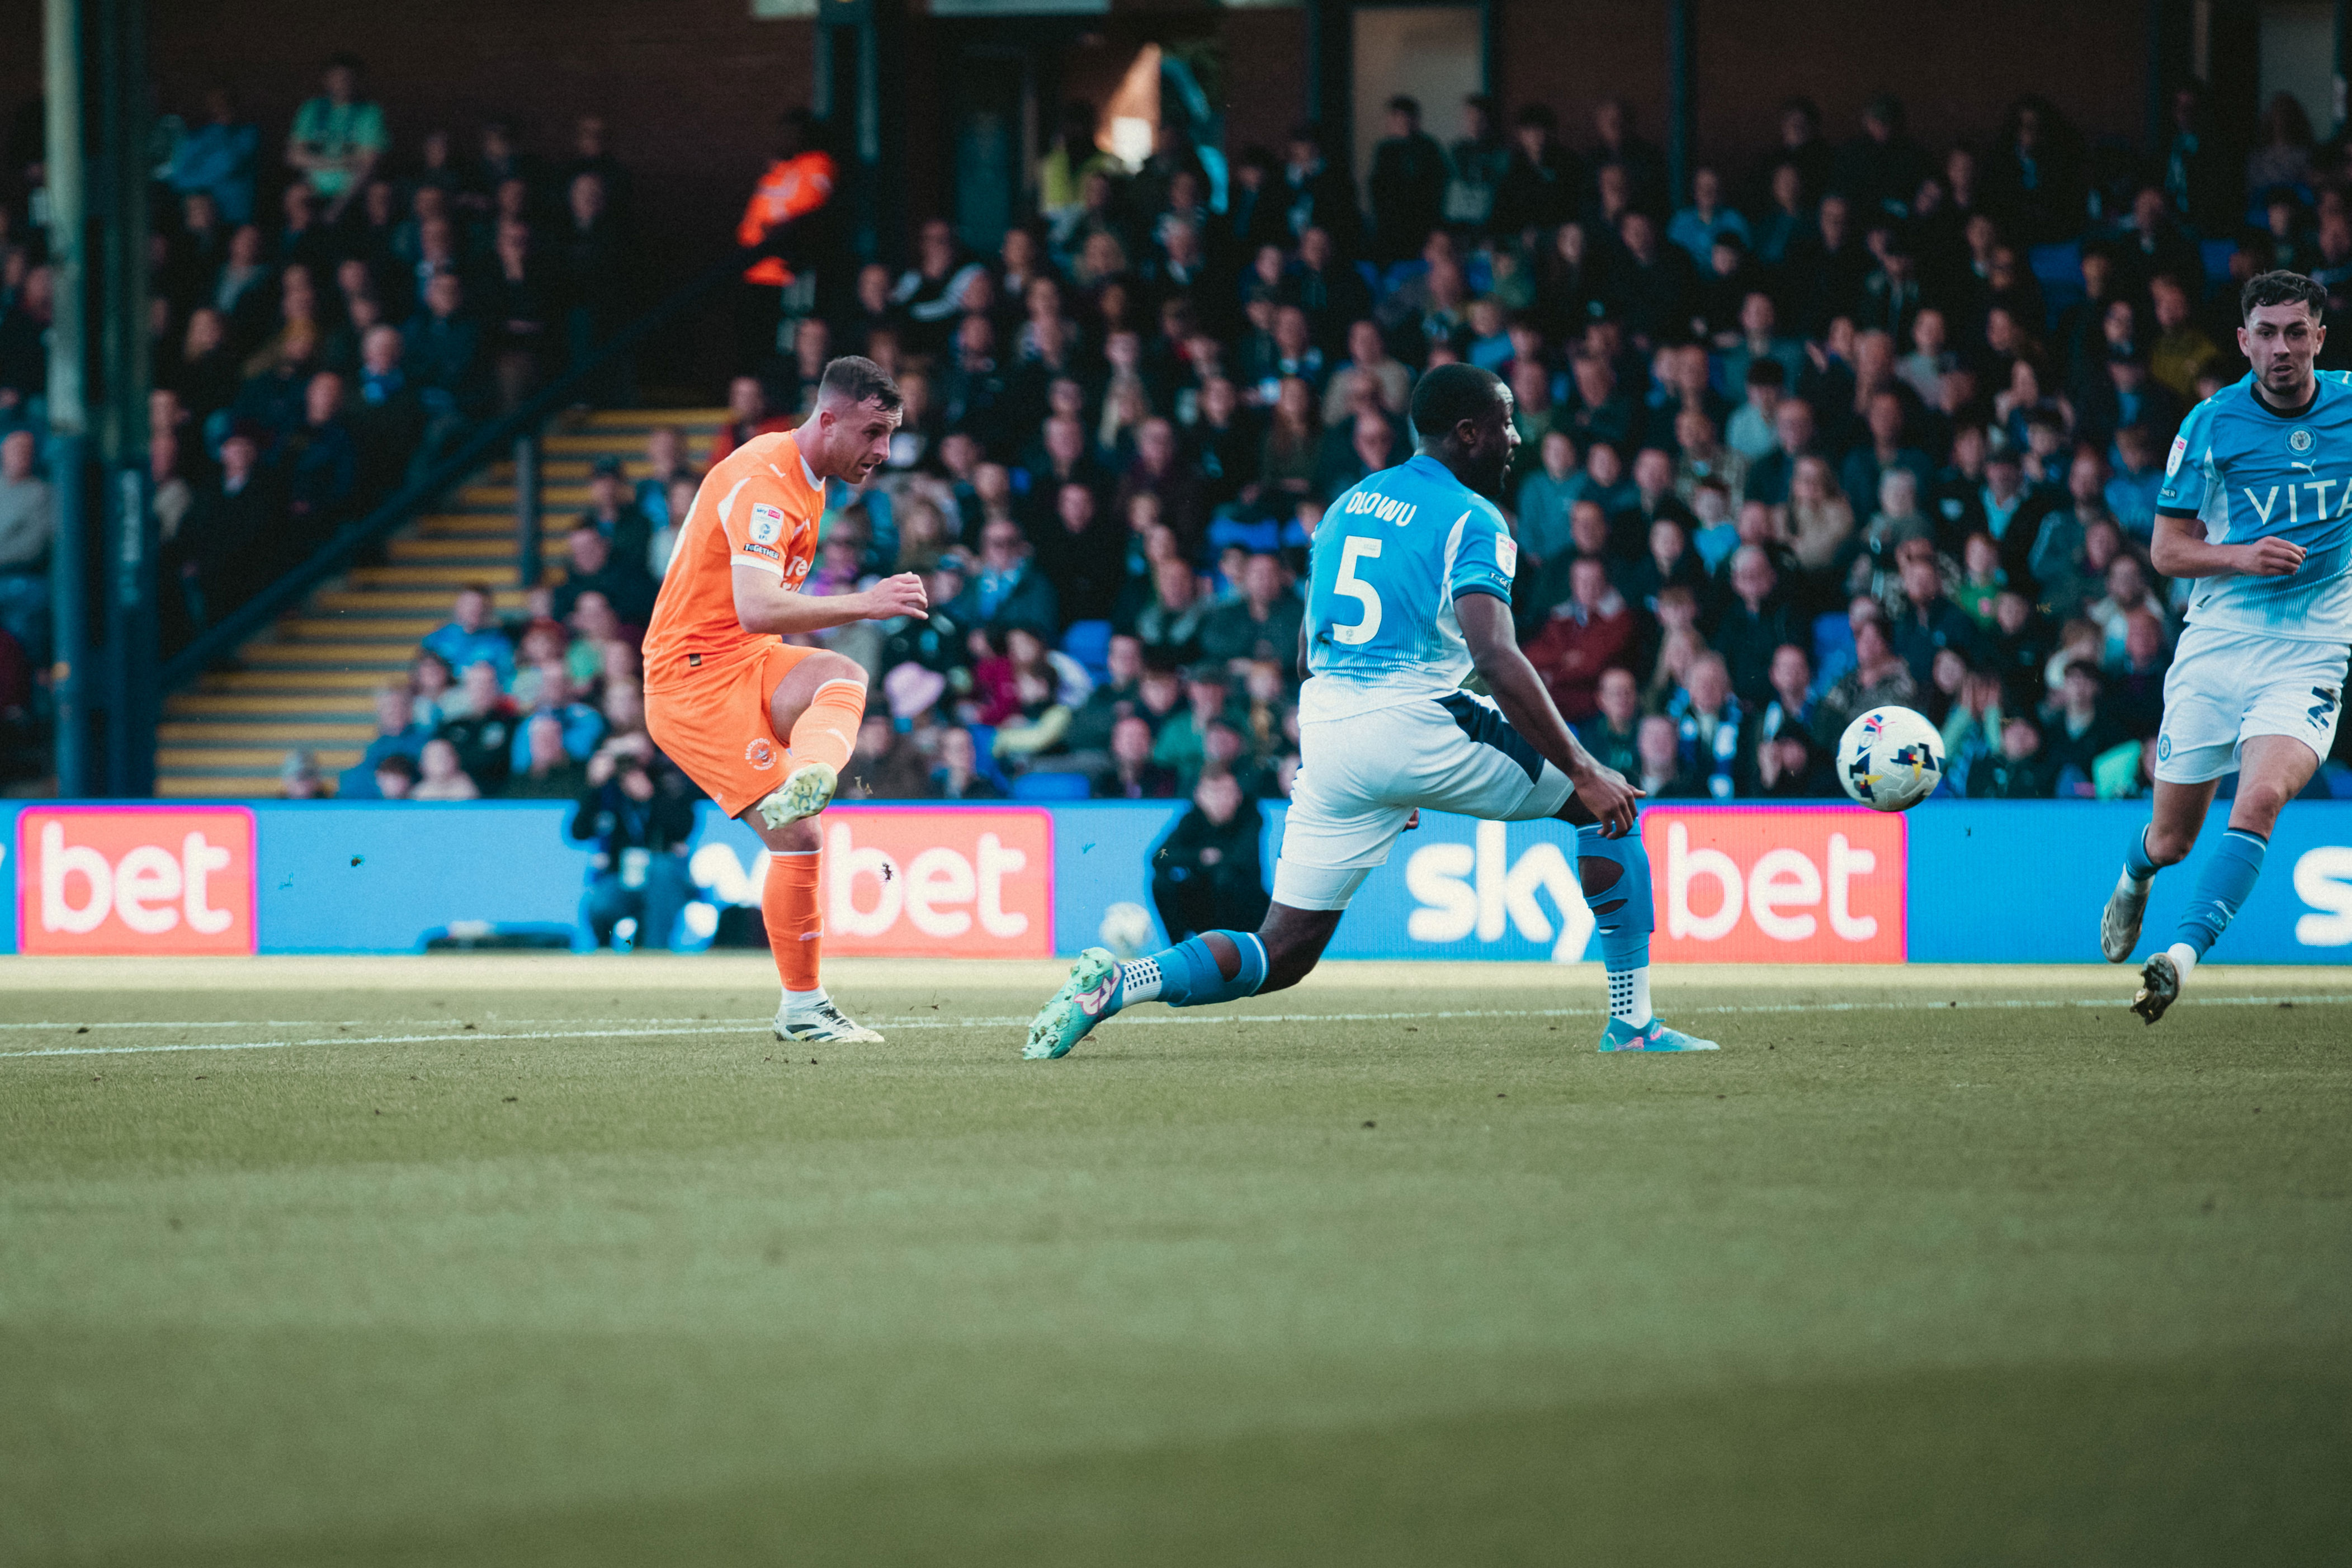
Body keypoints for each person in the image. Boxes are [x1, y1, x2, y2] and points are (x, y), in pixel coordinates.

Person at [1024, 362, 1716, 1060]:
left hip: (1330, 735)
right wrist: (1581, 767)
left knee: (1281, 949)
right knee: (1606, 803)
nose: (1514, 438)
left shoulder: (1346, 506)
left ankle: (1121, 982)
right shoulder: (1474, 517)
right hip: (1415, 719)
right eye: (1504, 423)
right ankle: (1633, 1024)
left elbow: (1306, 652)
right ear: (1467, 432)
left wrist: (1383, 772)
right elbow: (1497, 656)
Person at [639, 356, 927, 1043]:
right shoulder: (767, 484)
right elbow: (758, 606)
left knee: (841, 678)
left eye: (891, 434)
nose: (884, 451)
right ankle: (803, 1007)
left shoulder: (809, 478)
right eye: (873, 431)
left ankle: (812, 772)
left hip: (741, 660)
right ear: (827, 419)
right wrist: (867, 602)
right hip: (691, 680)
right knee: (800, 836)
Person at [2100, 272, 2352, 1024]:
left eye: (2296, 332)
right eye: (2266, 334)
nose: (2282, 348)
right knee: (2173, 838)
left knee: (2261, 797)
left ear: (2319, 338)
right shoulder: (2210, 423)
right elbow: (2165, 551)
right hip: (2218, 645)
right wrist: (2241, 556)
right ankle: (2134, 874)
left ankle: (2178, 957)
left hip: (2310, 651)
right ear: (2243, 341)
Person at [569, 738, 697, 949]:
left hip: (660, 878)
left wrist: (651, 798)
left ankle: (655, 952)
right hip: (619, 876)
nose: (630, 764)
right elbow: (578, 832)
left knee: (662, 871)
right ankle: (603, 952)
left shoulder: (667, 782)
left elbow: (684, 828)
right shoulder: (607, 790)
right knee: (600, 903)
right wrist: (593, 787)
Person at [1150, 768, 1271, 943]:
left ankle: (1230, 947)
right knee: (1162, 882)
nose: (1220, 800)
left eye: (1226, 792)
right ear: (1199, 797)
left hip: (1244, 908)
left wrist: (1214, 861)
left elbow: (1242, 859)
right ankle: (1177, 947)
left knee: (1225, 878)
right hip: (1204, 905)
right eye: (1213, 793)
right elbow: (1160, 855)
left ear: (1238, 796)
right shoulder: (1191, 821)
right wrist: (1199, 857)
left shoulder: (1250, 817)